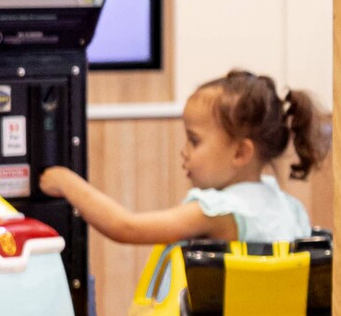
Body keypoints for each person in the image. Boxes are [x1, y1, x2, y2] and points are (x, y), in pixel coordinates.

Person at [40, 70, 325, 249]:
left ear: (240, 153)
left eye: (195, 140)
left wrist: (66, 182)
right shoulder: (289, 207)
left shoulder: (218, 211)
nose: (184, 151)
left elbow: (126, 227)